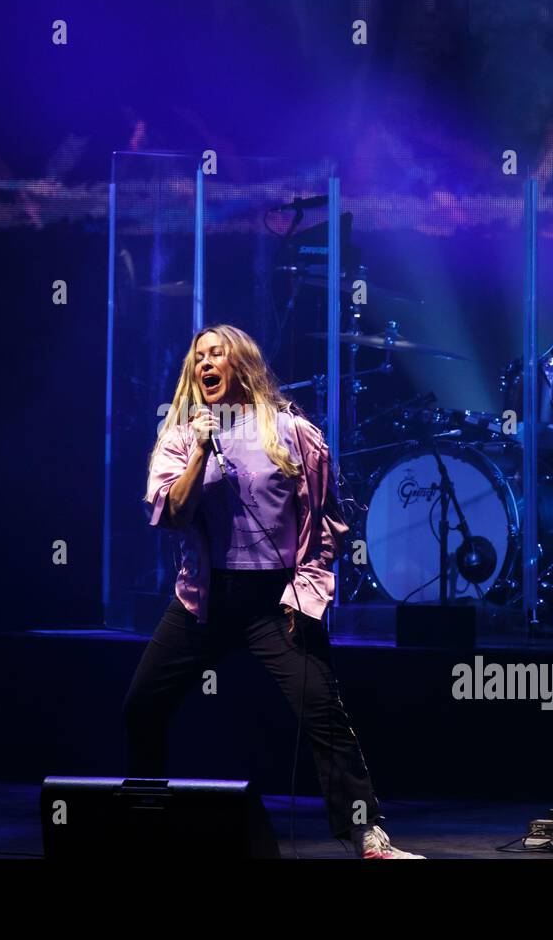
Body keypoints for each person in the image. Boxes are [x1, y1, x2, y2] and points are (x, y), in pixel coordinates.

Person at [123, 324, 423, 858]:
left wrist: (304, 596)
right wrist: (200, 452)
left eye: (217, 354)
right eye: (198, 358)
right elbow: (170, 513)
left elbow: (326, 523)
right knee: (142, 705)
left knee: (322, 711)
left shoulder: (290, 432)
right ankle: (144, 827)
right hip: (206, 599)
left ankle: (367, 835)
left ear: (242, 364)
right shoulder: (181, 436)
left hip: (274, 601)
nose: (205, 364)